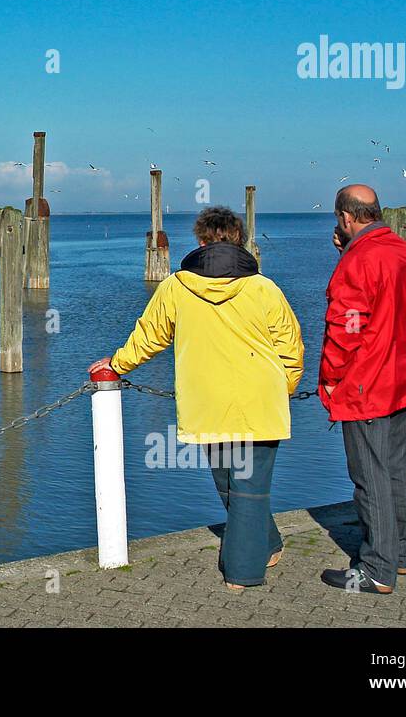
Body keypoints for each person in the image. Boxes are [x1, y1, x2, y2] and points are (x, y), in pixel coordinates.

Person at [88, 206, 304, 590]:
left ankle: (253, 559)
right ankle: (246, 567)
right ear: (239, 239)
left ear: (201, 241)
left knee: (228, 483)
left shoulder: (176, 286)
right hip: (260, 400)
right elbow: (290, 346)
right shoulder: (263, 288)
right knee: (248, 487)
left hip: (207, 401)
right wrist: (285, 386)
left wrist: (118, 364)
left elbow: (150, 335)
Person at [318, 185, 406, 595]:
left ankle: (377, 568)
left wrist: (331, 379)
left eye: (338, 219)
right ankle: (398, 554)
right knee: (397, 470)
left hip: (368, 382)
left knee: (370, 475)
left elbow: (347, 327)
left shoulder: (359, 260)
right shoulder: (403, 251)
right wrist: (348, 253)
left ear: (347, 217)